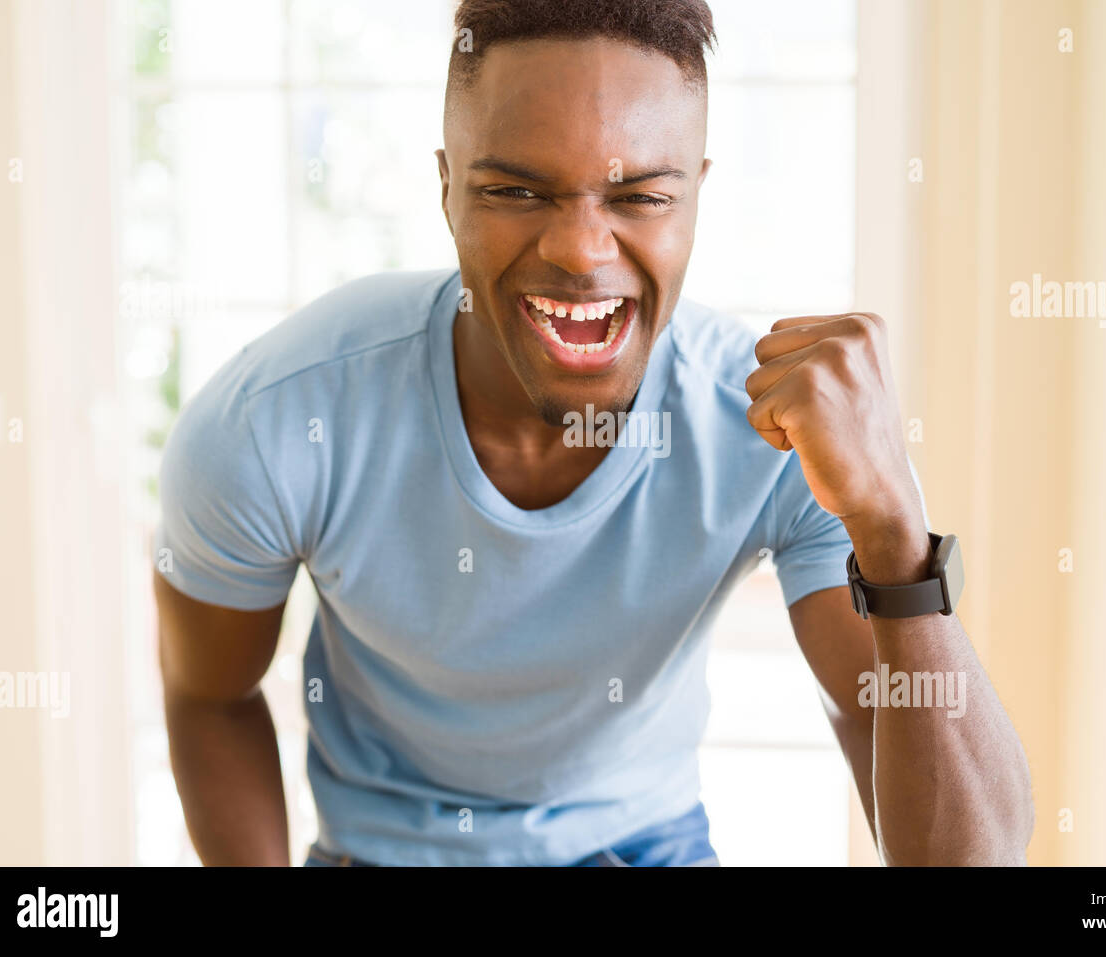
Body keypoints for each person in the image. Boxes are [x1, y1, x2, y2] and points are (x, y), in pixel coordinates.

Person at [154, 0, 1034, 867]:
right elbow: (210, 696)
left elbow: (973, 862)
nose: (580, 249)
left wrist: (892, 525)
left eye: (641, 194)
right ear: (448, 189)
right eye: (514, 190)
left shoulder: (776, 432)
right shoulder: (275, 419)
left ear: (694, 196)